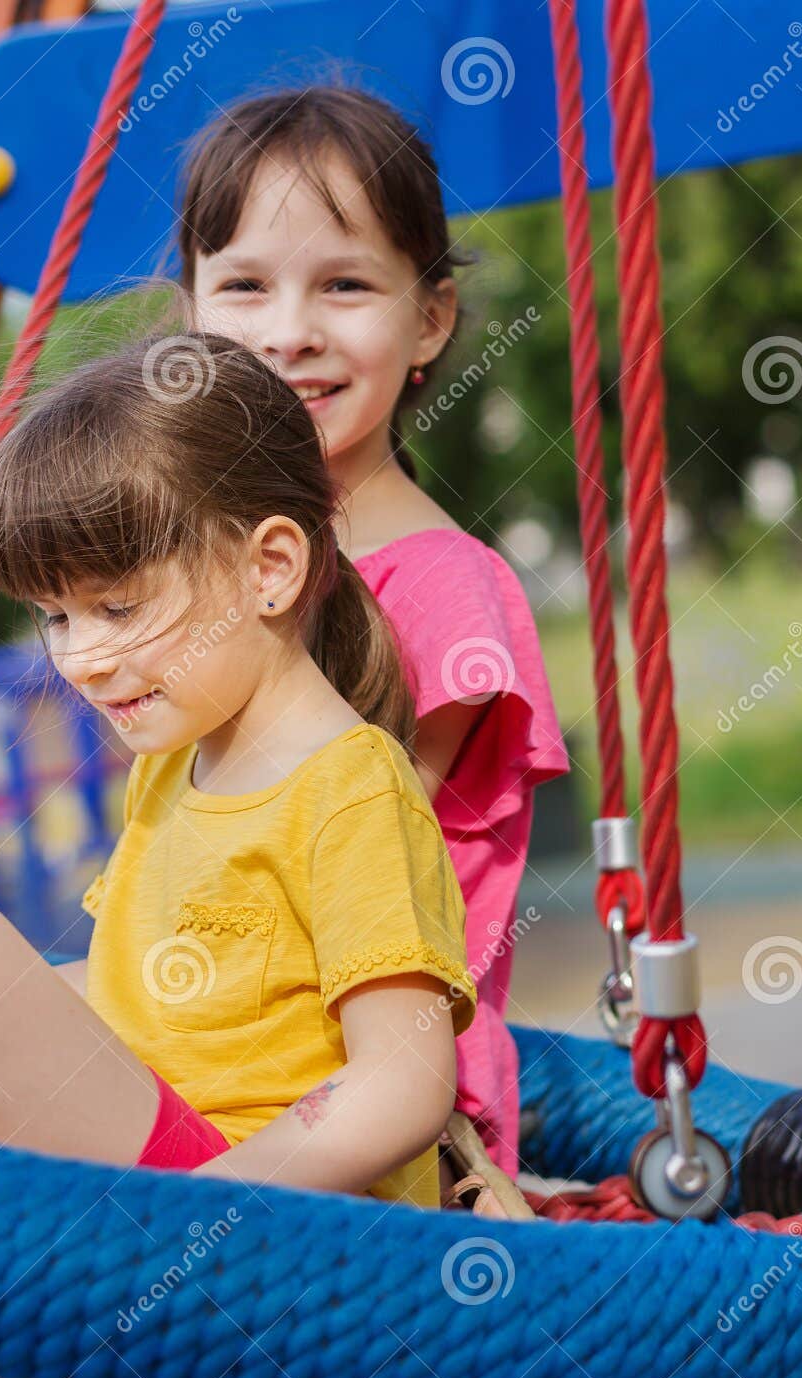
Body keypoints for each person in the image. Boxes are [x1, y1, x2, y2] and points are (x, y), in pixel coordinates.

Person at [0, 331, 476, 1378]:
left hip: (272, 1271)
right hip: (166, 1207)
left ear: (268, 569)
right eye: (57, 617)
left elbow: (402, 1087)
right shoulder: (178, 759)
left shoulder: (352, 789)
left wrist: (163, 1243)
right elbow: (128, 993)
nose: (80, 659)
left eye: (116, 608)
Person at [177, 86, 569, 1177]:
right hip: (214, 1035)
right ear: (191, 316)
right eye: (244, 285)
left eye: (344, 285)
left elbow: (324, 862)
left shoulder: (444, 592)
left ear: (430, 319)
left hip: (356, 1100)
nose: (289, 331)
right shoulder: (194, 572)